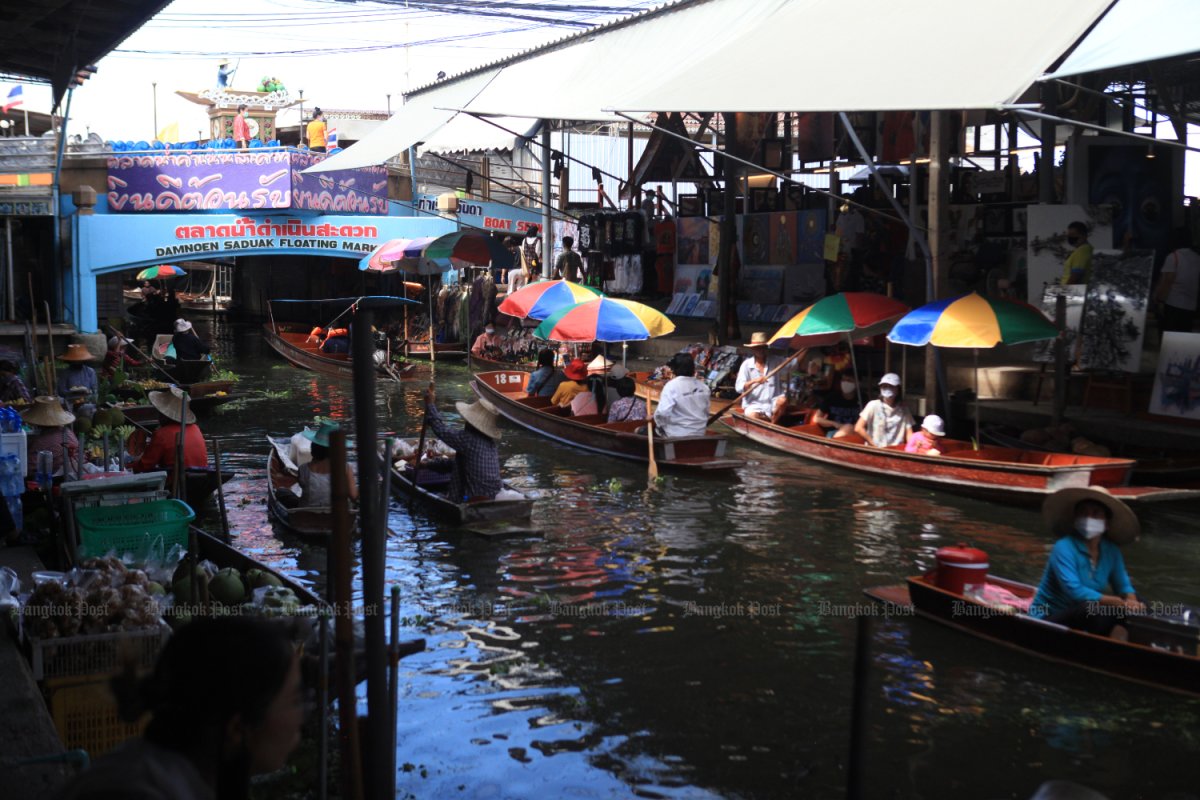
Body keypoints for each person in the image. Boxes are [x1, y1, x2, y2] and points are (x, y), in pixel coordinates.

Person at [53, 616, 303, 800]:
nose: (301, 715)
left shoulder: (166, 772)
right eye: (294, 699)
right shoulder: (138, 792)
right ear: (237, 728)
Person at [1028, 487, 1144, 638]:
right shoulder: (1064, 547)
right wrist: (1117, 602)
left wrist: (1132, 602)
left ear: (1106, 524)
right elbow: (1075, 591)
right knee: (1089, 609)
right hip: (1050, 617)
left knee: (1141, 603)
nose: (1089, 518)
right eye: (1083, 513)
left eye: (1096, 514)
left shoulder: (1111, 551)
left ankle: (1124, 640)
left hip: (1084, 614)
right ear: (1076, 519)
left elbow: (1123, 585)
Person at [423, 384, 502, 501]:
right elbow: (457, 464)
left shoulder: (468, 440)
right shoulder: (491, 444)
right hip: (493, 497)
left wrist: (430, 404)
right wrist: (428, 464)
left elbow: (439, 429)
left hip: (471, 500)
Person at [134, 387, 209, 474]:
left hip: (174, 481)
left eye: (160, 413)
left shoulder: (161, 434)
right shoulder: (195, 428)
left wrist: (128, 465)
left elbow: (144, 466)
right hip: (200, 478)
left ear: (165, 415)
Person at [298, 421, 357, 507]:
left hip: (308, 515)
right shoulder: (346, 468)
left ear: (314, 447)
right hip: (338, 516)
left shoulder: (303, 468)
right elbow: (353, 496)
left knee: (283, 493)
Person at [653, 353, 710, 438]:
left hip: (675, 434)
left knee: (642, 431)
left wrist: (658, 423)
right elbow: (706, 412)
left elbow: (662, 413)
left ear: (674, 369)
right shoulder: (704, 387)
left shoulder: (671, 386)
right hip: (699, 432)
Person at [1153, 227, 1199, 334]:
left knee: (1168, 337)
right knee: (1183, 338)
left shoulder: (1173, 257)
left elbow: (1167, 281)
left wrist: (1159, 300)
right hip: (1190, 306)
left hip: (1173, 304)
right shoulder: (1197, 258)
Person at [735, 332, 787, 424]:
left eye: (763, 348)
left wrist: (805, 348)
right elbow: (739, 387)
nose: (761, 351)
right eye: (758, 348)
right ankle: (767, 424)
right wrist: (755, 381)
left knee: (783, 401)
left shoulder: (775, 360)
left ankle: (772, 424)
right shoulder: (746, 365)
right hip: (754, 404)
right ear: (753, 349)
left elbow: (793, 363)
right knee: (753, 416)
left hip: (772, 402)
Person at [22, 396, 78, 478]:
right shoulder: (68, 432)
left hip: (56, 478)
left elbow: (29, 468)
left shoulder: (41, 442)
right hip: (74, 473)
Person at [854, 373, 914, 448]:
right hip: (876, 450)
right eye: (884, 386)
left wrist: (912, 448)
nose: (888, 389)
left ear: (898, 389)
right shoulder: (873, 405)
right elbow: (858, 428)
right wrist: (873, 444)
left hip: (896, 451)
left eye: (891, 386)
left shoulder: (904, 409)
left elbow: (909, 433)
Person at [812, 374, 861, 438]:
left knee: (849, 427)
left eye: (849, 380)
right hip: (834, 432)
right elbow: (817, 418)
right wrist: (835, 424)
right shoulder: (832, 397)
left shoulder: (861, 398)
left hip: (855, 433)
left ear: (857, 383)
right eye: (843, 380)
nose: (845, 383)